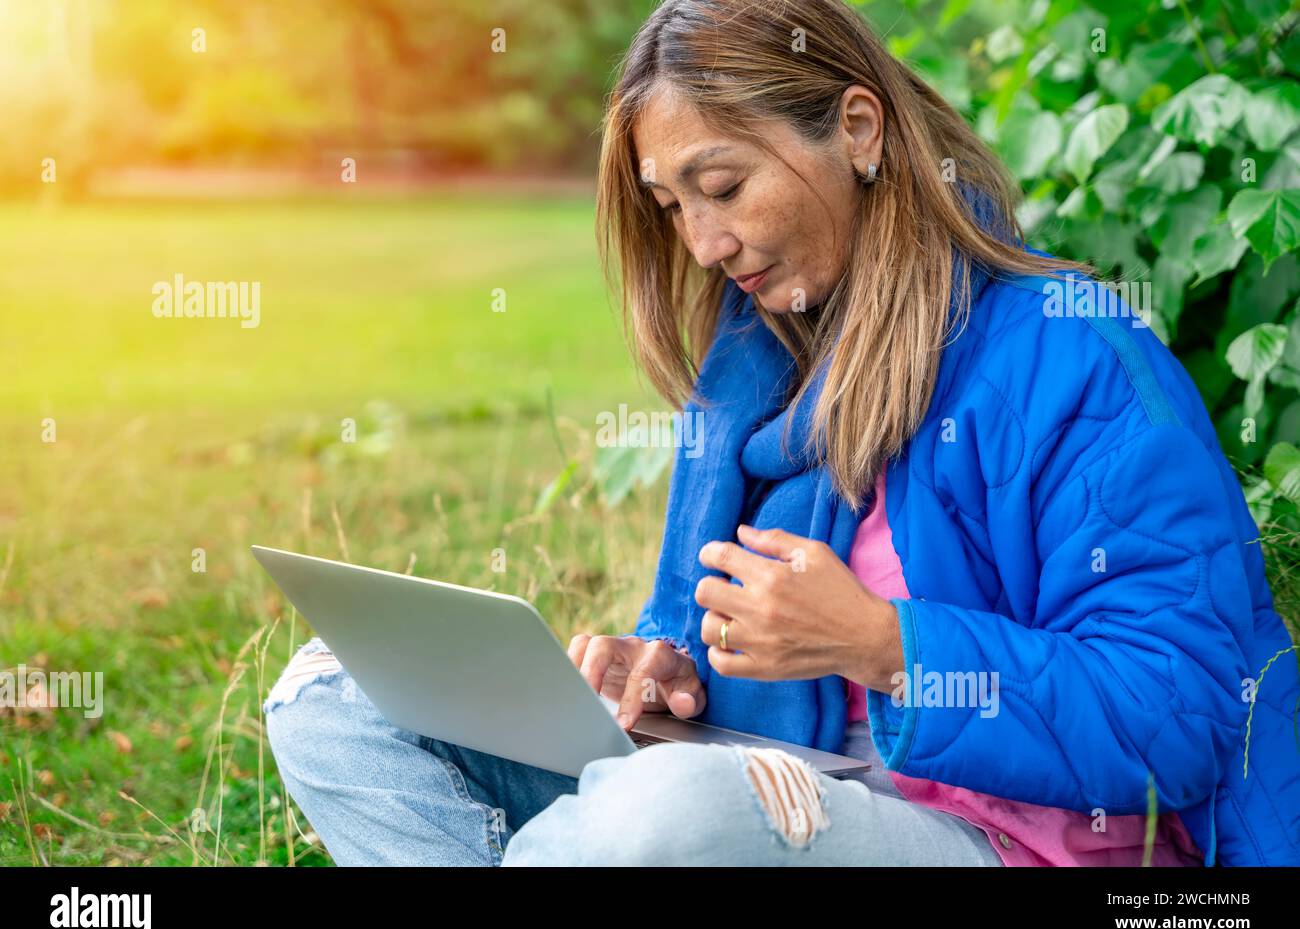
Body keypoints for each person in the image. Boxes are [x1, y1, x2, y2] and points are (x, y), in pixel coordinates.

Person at [264, 0, 1300, 866]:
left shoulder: (1067, 353)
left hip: (998, 838)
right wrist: (662, 670)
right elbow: (704, 640)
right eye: (670, 206)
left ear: (857, 129)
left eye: (722, 187)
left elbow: (1186, 716)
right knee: (331, 699)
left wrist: (885, 646)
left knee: (658, 817)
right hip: (767, 780)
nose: (705, 245)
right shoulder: (754, 371)